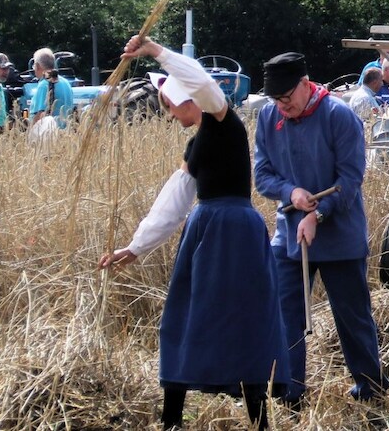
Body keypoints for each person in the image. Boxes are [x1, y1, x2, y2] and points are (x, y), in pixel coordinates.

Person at [99, 36, 290, 430]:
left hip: (234, 233)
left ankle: (260, 421)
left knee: (244, 320)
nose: (168, 113)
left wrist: (156, 52)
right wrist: (135, 248)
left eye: (169, 105)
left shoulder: (224, 120)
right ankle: (172, 422)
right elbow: (175, 199)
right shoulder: (197, 144)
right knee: (184, 320)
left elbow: (203, 82)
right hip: (205, 231)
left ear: (188, 99)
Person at [254, 53, 388, 404]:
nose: (282, 106)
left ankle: (370, 389)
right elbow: (262, 174)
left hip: (340, 237)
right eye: (276, 100)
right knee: (285, 317)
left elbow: (351, 178)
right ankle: (289, 392)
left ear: (304, 84)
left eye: (287, 98)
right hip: (289, 236)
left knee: (352, 318)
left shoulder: (338, 116)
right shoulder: (268, 116)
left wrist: (319, 213)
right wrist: (291, 193)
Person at [29, 47, 74, 126]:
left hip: (50, 135)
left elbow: (40, 115)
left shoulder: (43, 85)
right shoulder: (66, 83)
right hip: (66, 134)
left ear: (37, 66)